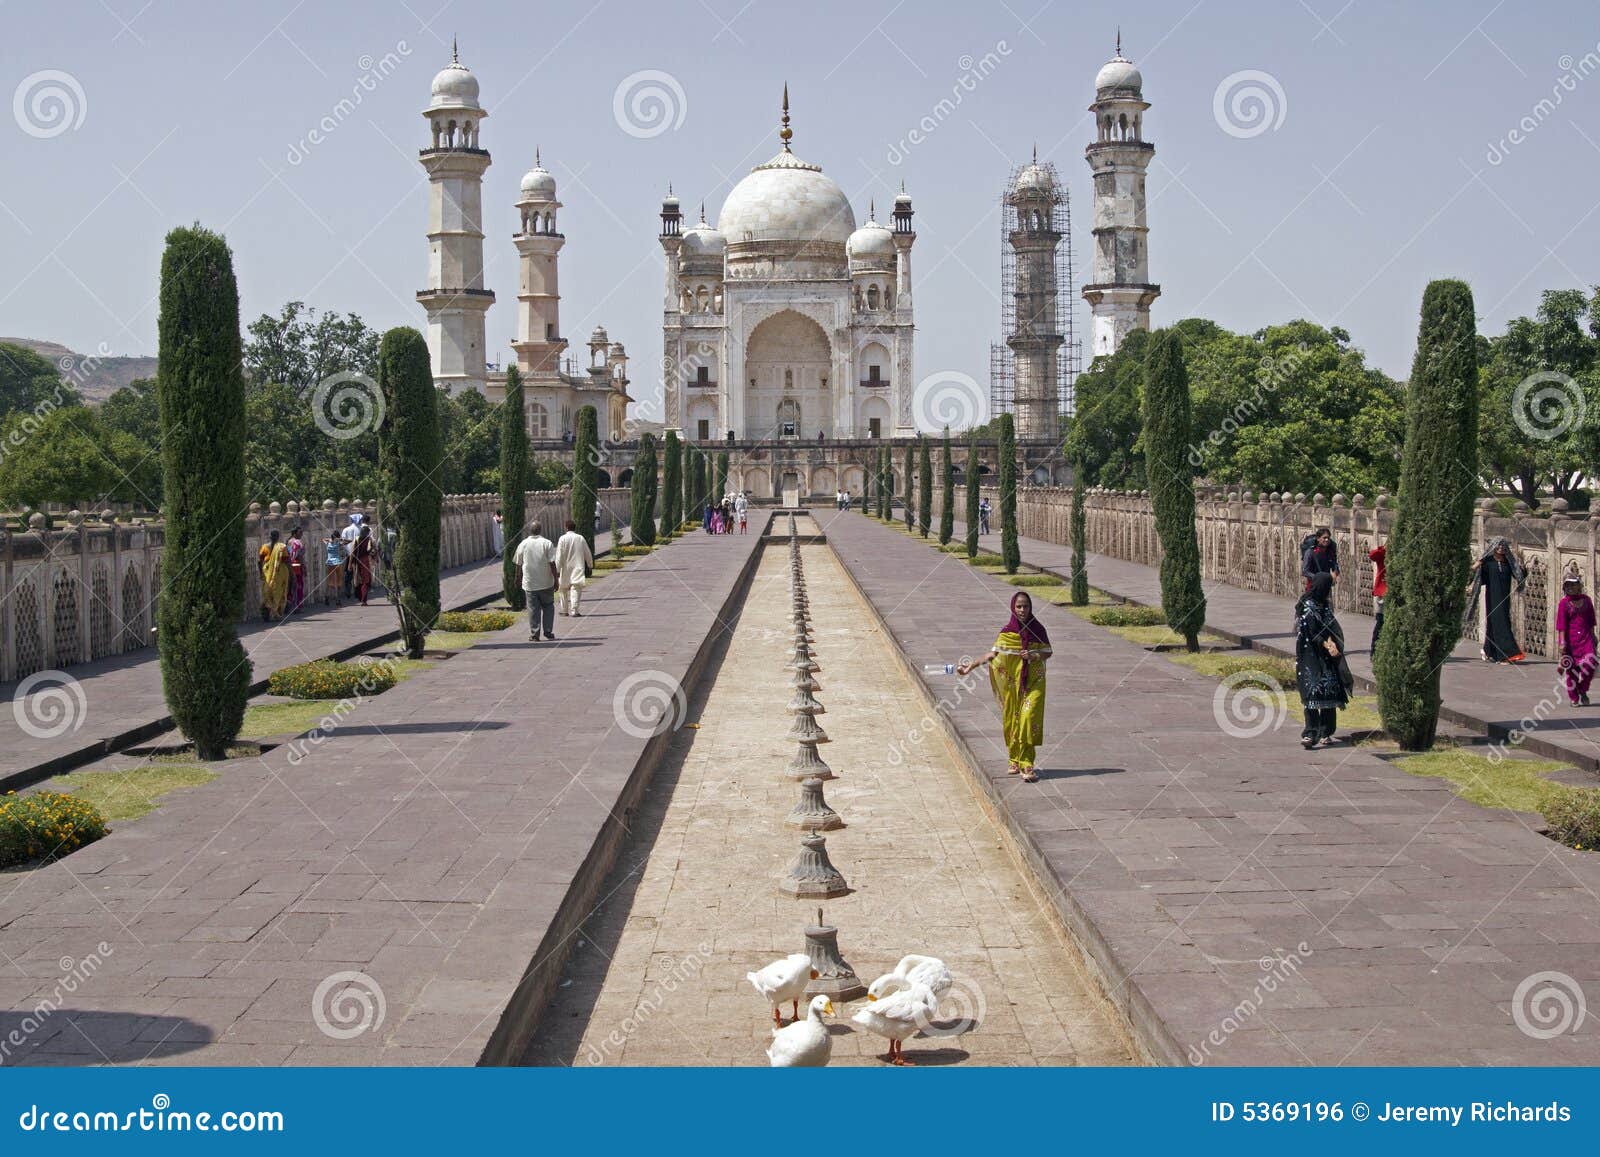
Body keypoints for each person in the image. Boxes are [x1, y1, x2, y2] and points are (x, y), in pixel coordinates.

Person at [957, 591, 1052, 782]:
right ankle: (1014, 758)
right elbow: (991, 655)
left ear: (1030, 607)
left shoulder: (1038, 629)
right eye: (1019, 606)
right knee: (1012, 720)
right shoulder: (1007, 631)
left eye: (1026, 606)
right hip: (1013, 685)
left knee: (1027, 717)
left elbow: (1048, 652)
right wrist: (970, 667)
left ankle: (1027, 764)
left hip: (1034, 682)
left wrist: (1032, 655)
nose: (1022, 609)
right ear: (1013, 608)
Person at [1295, 573, 1352, 748]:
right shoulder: (1307, 606)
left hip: (1327, 657)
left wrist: (1334, 644)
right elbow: (1311, 631)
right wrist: (1327, 644)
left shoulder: (1325, 606)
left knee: (1329, 690)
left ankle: (1326, 731)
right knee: (1312, 692)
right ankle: (1310, 733)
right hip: (1310, 656)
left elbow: (1331, 627)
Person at [1465, 537, 1527, 662]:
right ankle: (1505, 655)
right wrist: (1478, 563)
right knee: (1500, 623)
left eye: (1503, 546)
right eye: (1498, 545)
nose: (1501, 548)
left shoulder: (1509, 562)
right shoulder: (1487, 562)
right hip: (1492, 597)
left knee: (1496, 623)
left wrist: (1522, 569)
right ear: (1493, 547)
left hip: (1504, 598)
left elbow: (1519, 575)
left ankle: (1489, 651)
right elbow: (1478, 577)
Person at [514, 519, 559, 641]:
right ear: (540, 530)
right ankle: (548, 631)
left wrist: (517, 577)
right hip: (546, 582)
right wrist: (556, 579)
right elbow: (552, 563)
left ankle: (535, 634)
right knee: (548, 606)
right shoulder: (547, 543)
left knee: (533, 609)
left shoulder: (523, 544)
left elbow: (518, 564)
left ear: (530, 530)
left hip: (530, 583)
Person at [1558, 570, 1597, 707]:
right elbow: (1561, 624)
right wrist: (1562, 642)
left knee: (1590, 663)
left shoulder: (1586, 600)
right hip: (1570, 641)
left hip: (1586, 638)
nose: (1571, 588)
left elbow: (1591, 620)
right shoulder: (1564, 603)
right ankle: (1574, 697)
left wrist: (1593, 635)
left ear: (1579, 586)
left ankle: (1582, 689)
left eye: (1573, 585)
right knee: (1572, 671)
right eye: (1568, 586)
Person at [555, 518, 593, 618]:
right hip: (577, 567)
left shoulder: (562, 538)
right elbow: (587, 553)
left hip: (565, 567)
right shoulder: (580, 538)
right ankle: (574, 611)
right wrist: (590, 565)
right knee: (576, 588)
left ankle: (564, 610)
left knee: (562, 588)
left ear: (566, 527)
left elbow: (558, 556)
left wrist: (557, 570)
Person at [259, 530, 289, 621]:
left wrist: (261, 572)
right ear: (278, 537)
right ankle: (276, 613)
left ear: (270, 536)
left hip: (267, 572)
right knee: (279, 592)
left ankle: (267, 612)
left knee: (267, 592)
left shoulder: (265, 547)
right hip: (279, 572)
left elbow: (260, 560)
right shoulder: (282, 547)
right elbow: (285, 560)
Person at [350, 523, 377, 607]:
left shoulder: (357, 539)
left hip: (358, 563)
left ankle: (361, 598)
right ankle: (363, 600)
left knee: (360, 581)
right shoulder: (369, 540)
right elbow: (373, 551)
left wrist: (350, 564)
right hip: (365, 562)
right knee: (365, 581)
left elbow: (352, 553)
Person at [1368, 542, 1387, 652]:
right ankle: (1375, 650)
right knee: (1381, 622)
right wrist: (1383, 548)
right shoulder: (1383, 554)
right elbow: (1372, 555)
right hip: (1383, 593)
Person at [339, 513, 363, 599]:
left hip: (349, 555)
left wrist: (347, 551)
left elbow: (342, 543)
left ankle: (348, 591)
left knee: (348, 573)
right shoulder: (361, 529)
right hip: (359, 555)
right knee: (359, 574)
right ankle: (358, 592)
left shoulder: (346, 529)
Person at [322, 529, 346, 608]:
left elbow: (323, 539)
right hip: (338, 563)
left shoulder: (328, 543)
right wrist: (341, 539)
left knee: (330, 581)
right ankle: (337, 599)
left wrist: (330, 539)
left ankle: (327, 596)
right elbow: (348, 541)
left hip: (329, 563)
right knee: (339, 581)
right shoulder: (339, 543)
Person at [286, 526, 307, 614]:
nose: (301, 534)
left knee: (290, 586)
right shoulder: (297, 542)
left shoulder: (288, 542)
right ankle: (298, 606)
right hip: (297, 566)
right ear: (295, 533)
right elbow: (300, 556)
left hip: (289, 566)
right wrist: (304, 567)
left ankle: (289, 604)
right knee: (299, 586)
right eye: (300, 533)